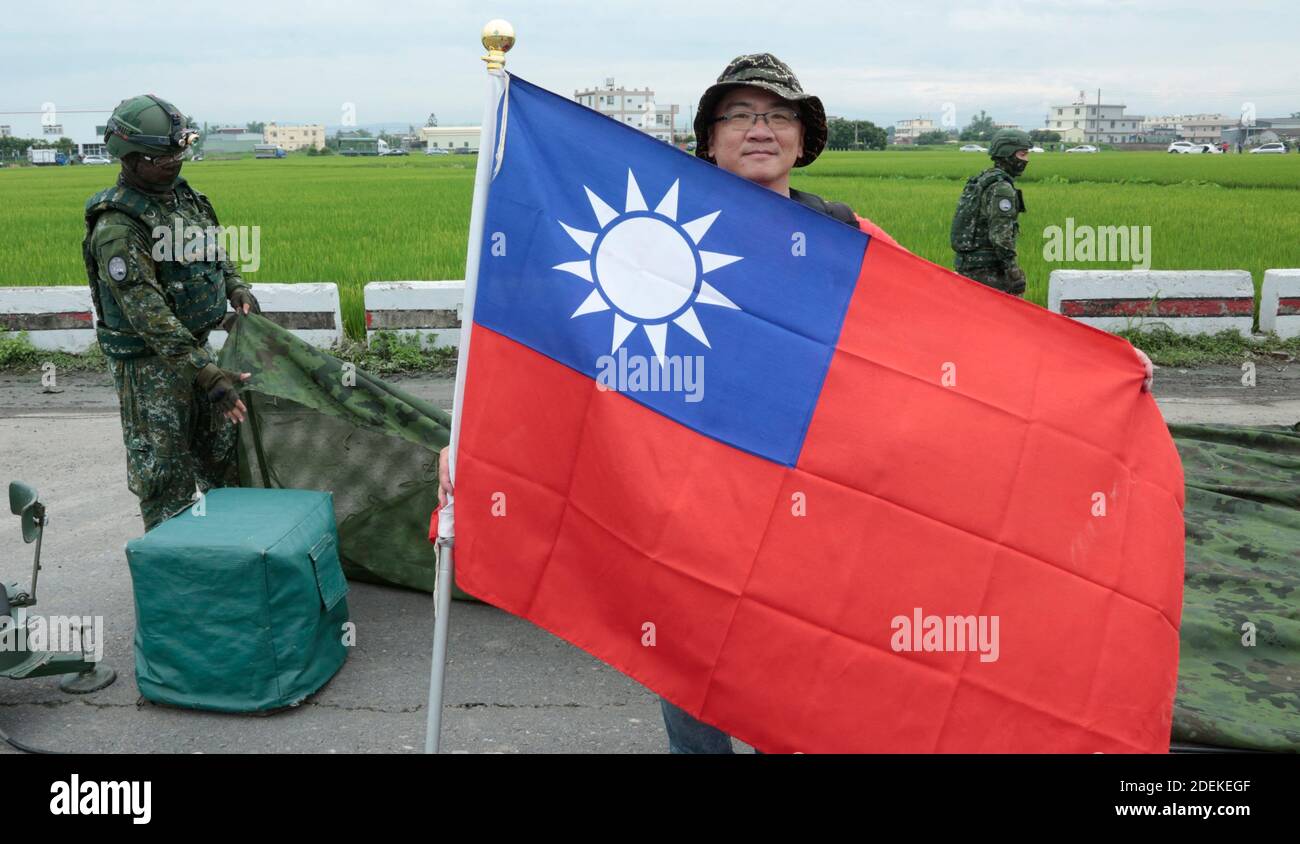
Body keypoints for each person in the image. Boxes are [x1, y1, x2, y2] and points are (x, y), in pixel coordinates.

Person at [435, 57, 1154, 753]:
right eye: (740, 114)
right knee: (687, 664)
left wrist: (1090, 370)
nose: (760, 128)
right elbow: (541, 344)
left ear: (804, 140)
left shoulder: (841, 238)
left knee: (803, 669)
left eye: (779, 115)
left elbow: (949, 324)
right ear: (708, 138)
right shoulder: (647, 237)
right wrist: (468, 435)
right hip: (681, 499)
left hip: (808, 494)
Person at [84, 94, 258, 531]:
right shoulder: (118, 228)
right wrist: (207, 374)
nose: (174, 162)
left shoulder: (186, 200)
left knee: (224, 461)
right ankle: (176, 583)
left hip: (196, 357)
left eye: (178, 151)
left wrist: (235, 285)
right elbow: (149, 316)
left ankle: (229, 557)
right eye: (161, 156)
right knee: (166, 480)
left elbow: (216, 250)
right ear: (129, 158)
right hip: (151, 371)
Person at [950, 128, 1033, 297]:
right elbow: (1000, 234)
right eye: (1023, 154)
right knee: (1003, 320)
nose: (1027, 160)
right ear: (1008, 154)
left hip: (968, 266)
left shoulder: (983, 179)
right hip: (988, 272)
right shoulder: (1002, 188)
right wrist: (1012, 269)